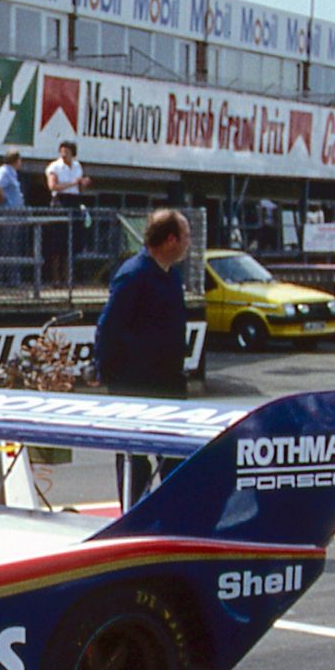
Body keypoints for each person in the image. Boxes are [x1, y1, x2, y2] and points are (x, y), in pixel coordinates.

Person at [94, 209, 192, 507]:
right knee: (134, 460)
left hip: (168, 382)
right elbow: (108, 327)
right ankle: (133, 517)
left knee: (177, 457)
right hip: (134, 383)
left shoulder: (171, 275)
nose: (190, 242)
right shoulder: (134, 274)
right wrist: (104, 370)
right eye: (186, 236)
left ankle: (176, 515)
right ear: (171, 239)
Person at [45, 140, 89, 285]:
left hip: (74, 201)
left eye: (67, 152)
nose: (64, 155)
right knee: (57, 242)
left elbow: (80, 188)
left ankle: (68, 278)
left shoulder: (77, 166)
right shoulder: (55, 167)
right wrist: (73, 183)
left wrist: (82, 184)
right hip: (60, 202)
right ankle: (55, 278)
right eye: (62, 151)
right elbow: (53, 186)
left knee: (72, 242)